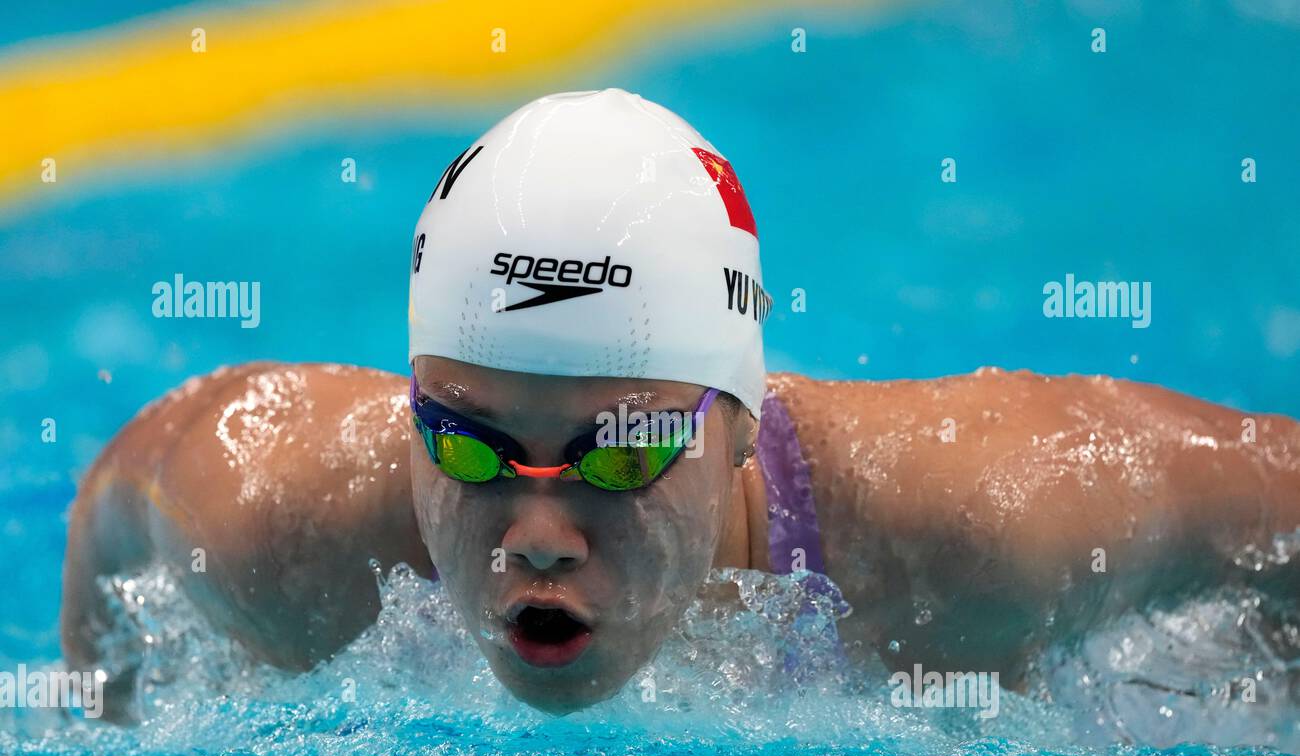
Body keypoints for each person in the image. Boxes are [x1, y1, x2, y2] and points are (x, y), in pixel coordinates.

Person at [60, 89, 1300, 722]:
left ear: (740, 424)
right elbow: (110, 512)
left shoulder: (978, 522)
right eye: (470, 441)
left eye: (618, 453)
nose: (535, 529)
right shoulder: (277, 511)